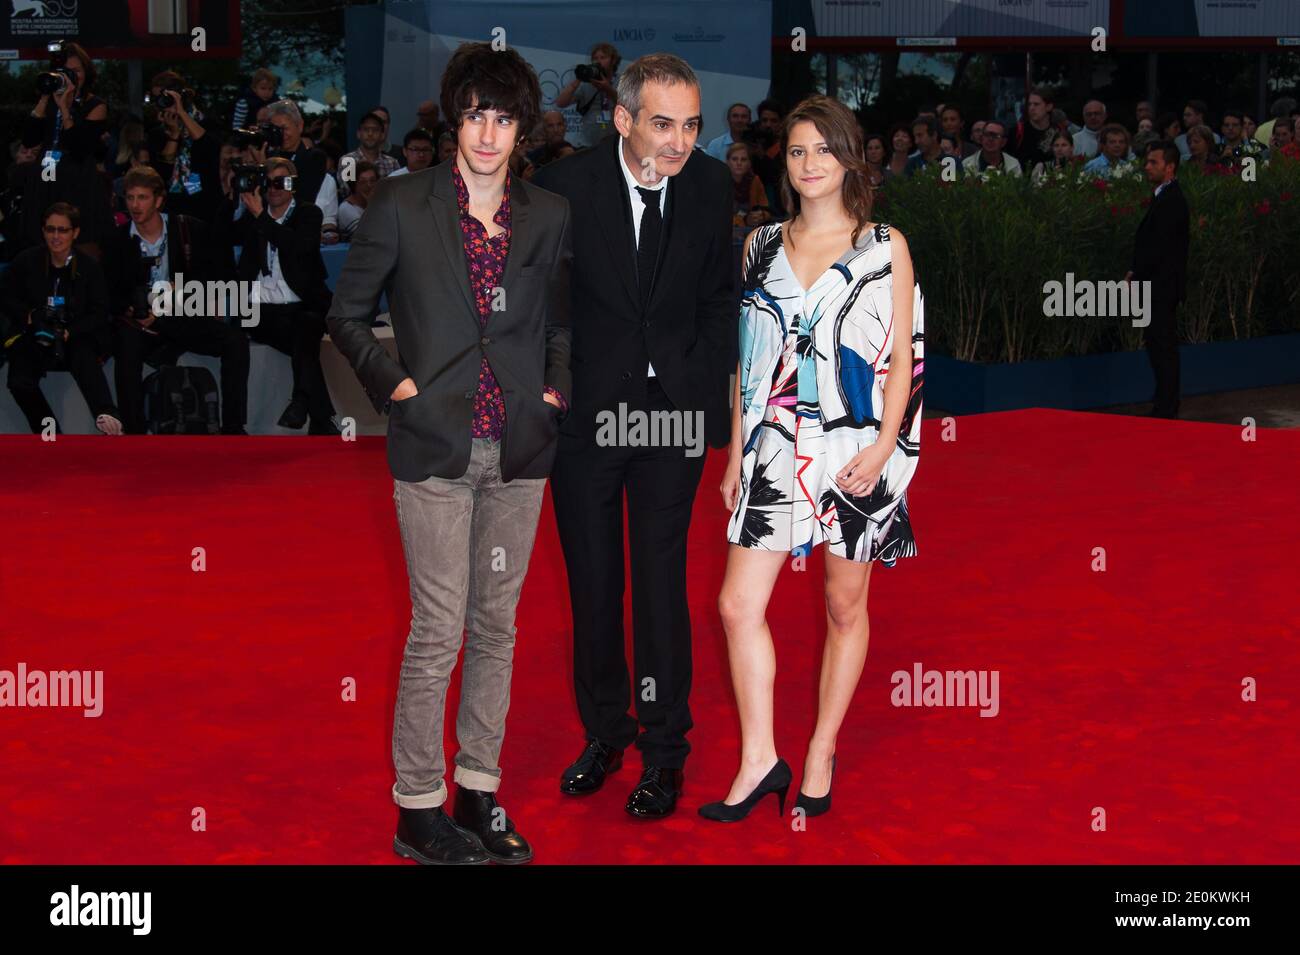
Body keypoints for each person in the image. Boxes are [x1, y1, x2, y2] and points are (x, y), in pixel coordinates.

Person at [327, 41, 571, 865]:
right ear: (455, 118)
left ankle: (479, 789)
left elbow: (559, 323)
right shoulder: (400, 203)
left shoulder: (547, 214)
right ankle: (417, 807)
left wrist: (554, 391)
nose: (489, 134)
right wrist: (397, 388)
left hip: (519, 451)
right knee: (437, 630)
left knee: (496, 626)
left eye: (504, 118)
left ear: (523, 127)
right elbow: (347, 316)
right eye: (475, 116)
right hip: (433, 446)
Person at [707, 93, 923, 821]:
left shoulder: (884, 244)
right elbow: (748, 357)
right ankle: (761, 756)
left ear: (848, 157)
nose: (808, 165)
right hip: (771, 440)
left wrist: (887, 446)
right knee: (737, 604)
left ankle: (823, 746)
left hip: (853, 445)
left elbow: (904, 357)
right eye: (797, 151)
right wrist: (736, 449)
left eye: (823, 150)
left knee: (842, 603)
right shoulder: (759, 245)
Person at [531, 53, 734, 820]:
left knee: (658, 584)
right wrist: (550, 396)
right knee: (592, 585)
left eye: (691, 125)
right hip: (586, 420)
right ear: (621, 119)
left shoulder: (711, 187)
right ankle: (605, 731)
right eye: (661, 124)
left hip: (672, 417)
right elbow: (543, 309)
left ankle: (664, 747)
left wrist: (707, 401)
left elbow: (720, 300)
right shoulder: (562, 189)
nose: (680, 143)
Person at [106, 167, 249, 435]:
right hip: (139, 322)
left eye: (143, 197)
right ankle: (134, 431)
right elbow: (110, 292)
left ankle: (233, 426)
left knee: (235, 341)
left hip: (182, 314)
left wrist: (173, 294)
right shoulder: (116, 240)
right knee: (126, 341)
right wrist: (132, 308)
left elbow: (215, 277)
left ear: (159, 200)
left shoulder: (188, 229)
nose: (135, 205)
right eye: (130, 198)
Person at [231, 156, 337, 434]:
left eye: (282, 182)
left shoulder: (308, 213)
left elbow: (298, 247)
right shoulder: (250, 215)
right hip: (261, 309)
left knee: (305, 327)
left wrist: (261, 217)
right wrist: (234, 194)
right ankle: (317, 415)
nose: (275, 188)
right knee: (303, 342)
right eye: (269, 182)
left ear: (293, 185)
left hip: (303, 304)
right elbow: (221, 234)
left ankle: (305, 405)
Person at [2, 203, 122, 434]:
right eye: (50, 229)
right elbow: (6, 296)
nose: (56, 236)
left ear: (75, 233)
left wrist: (70, 331)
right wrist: (30, 316)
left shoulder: (89, 268)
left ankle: (108, 415)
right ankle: (50, 432)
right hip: (35, 333)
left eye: (63, 230)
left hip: (75, 335)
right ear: (43, 231)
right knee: (19, 379)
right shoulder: (26, 261)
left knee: (84, 357)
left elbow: (99, 311)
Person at [20, 41, 113, 255]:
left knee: (82, 245)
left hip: (78, 182)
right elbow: (29, 139)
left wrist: (65, 107)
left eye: (76, 71)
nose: (71, 76)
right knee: (41, 245)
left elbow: (80, 147)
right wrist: (45, 98)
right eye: (65, 72)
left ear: (86, 73)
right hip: (46, 179)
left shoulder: (95, 105)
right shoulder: (48, 103)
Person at [1125, 141, 1188, 419]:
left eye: (1153, 162)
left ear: (1169, 167)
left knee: (1163, 348)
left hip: (1159, 288)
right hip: (1155, 286)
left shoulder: (1171, 200)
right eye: (1147, 162)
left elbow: (1160, 248)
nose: (1147, 167)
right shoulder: (1164, 196)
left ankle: (1166, 406)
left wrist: (1137, 273)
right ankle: (1164, 401)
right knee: (1158, 346)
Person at [554, 42, 621, 149]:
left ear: (613, 61)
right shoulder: (586, 84)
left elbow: (628, 106)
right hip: (586, 143)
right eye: (595, 58)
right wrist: (579, 78)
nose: (598, 61)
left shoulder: (621, 81)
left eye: (603, 57)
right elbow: (561, 102)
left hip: (613, 143)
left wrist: (607, 88)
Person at [338, 110, 400, 199]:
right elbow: (348, 191)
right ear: (358, 134)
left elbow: (396, 193)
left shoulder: (392, 162)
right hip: (357, 210)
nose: (370, 134)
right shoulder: (348, 161)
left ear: (382, 135)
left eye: (375, 130)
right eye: (366, 130)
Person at [337, 160, 378, 238]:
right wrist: (372, 205)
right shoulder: (346, 209)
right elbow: (369, 236)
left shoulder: (382, 203)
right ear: (354, 185)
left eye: (372, 181)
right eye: (362, 182)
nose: (369, 185)